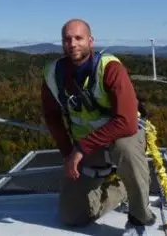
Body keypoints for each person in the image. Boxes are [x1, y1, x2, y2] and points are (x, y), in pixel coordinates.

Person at [41, 18, 156, 235]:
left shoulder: (110, 68)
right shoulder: (53, 74)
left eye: (78, 38)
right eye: (67, 39)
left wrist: (80, 150)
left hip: (120, 136)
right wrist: (68, 154)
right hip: (87, 144)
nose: (72, 43)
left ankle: (139, 213)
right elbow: (52, 117)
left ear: (90, 41)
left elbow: (127, 122)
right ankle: (119, 190)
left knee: (126, 148)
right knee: (71, 216)